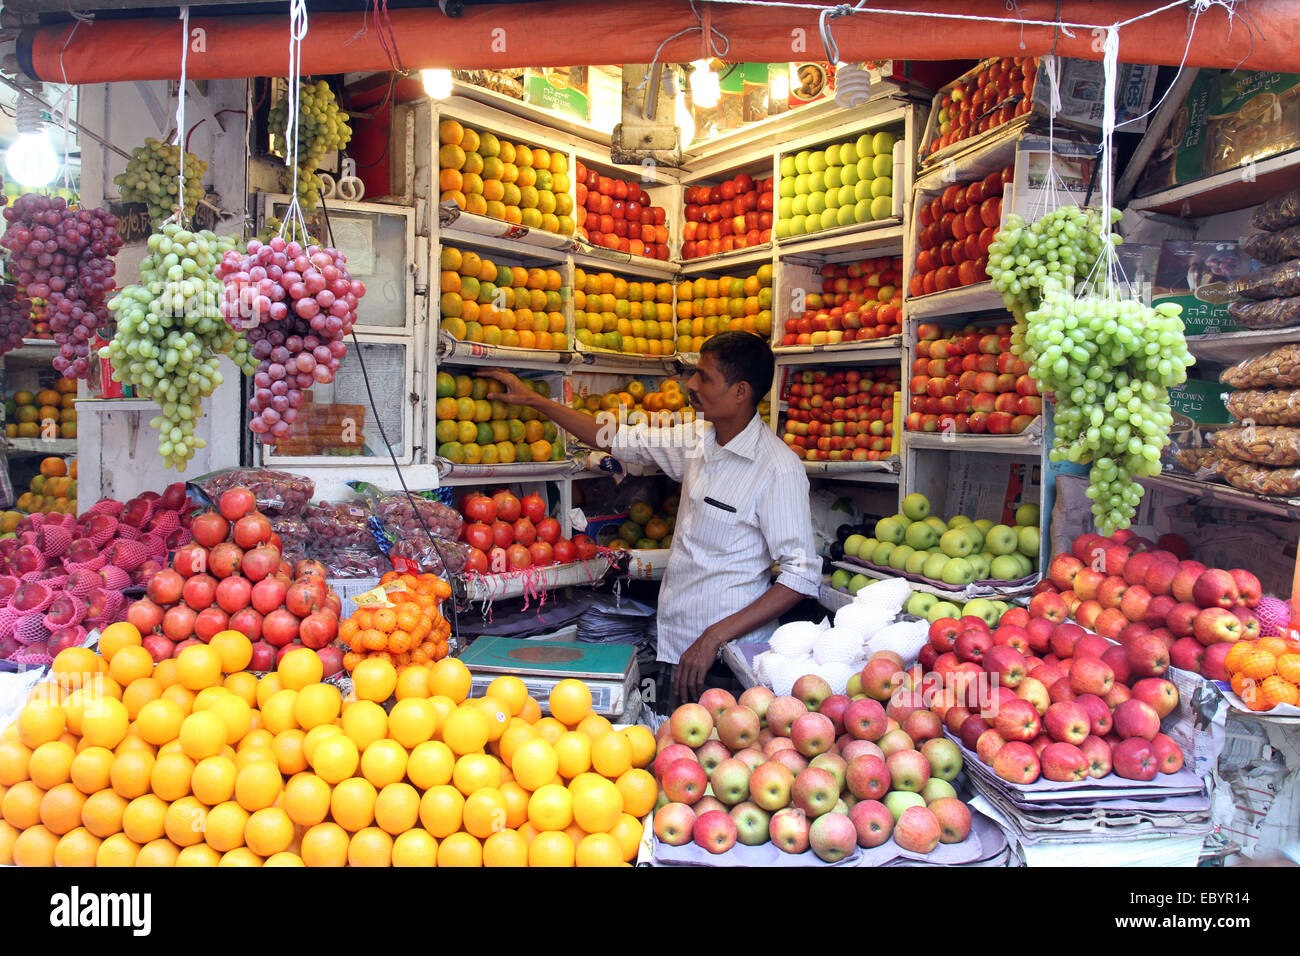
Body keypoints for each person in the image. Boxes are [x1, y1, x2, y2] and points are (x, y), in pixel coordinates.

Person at [483, 331, 819, 705]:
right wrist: (534, 400)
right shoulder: (697, 439)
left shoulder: (777, 469)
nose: (690, 385)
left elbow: (800, 577)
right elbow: (613, 437)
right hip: (676, 645)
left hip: (728, 660)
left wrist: (714, 637)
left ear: (740, 392)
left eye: (704, 377)